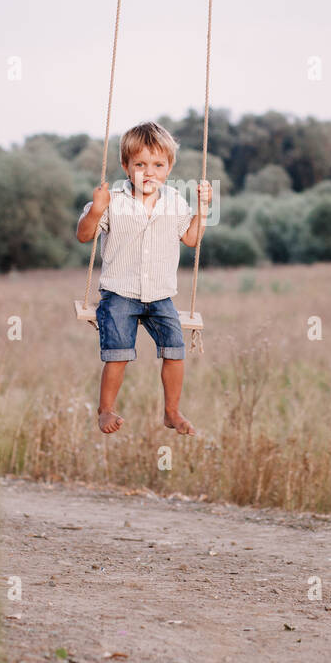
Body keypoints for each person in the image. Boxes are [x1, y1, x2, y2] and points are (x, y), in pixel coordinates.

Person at [76, 120, 212, 436]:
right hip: (119, 292)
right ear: (125, 165)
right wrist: (95, 211)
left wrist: (203, 210)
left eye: (157, 165)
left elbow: (191, 239)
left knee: (175, 351)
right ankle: (105, 409)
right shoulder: (113, 201)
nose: (148, 172)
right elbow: (84, 235)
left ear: (169, 167)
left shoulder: (176, 202)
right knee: (118, 355)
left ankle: (172, 411)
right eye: (140, 164)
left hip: (160, 294)